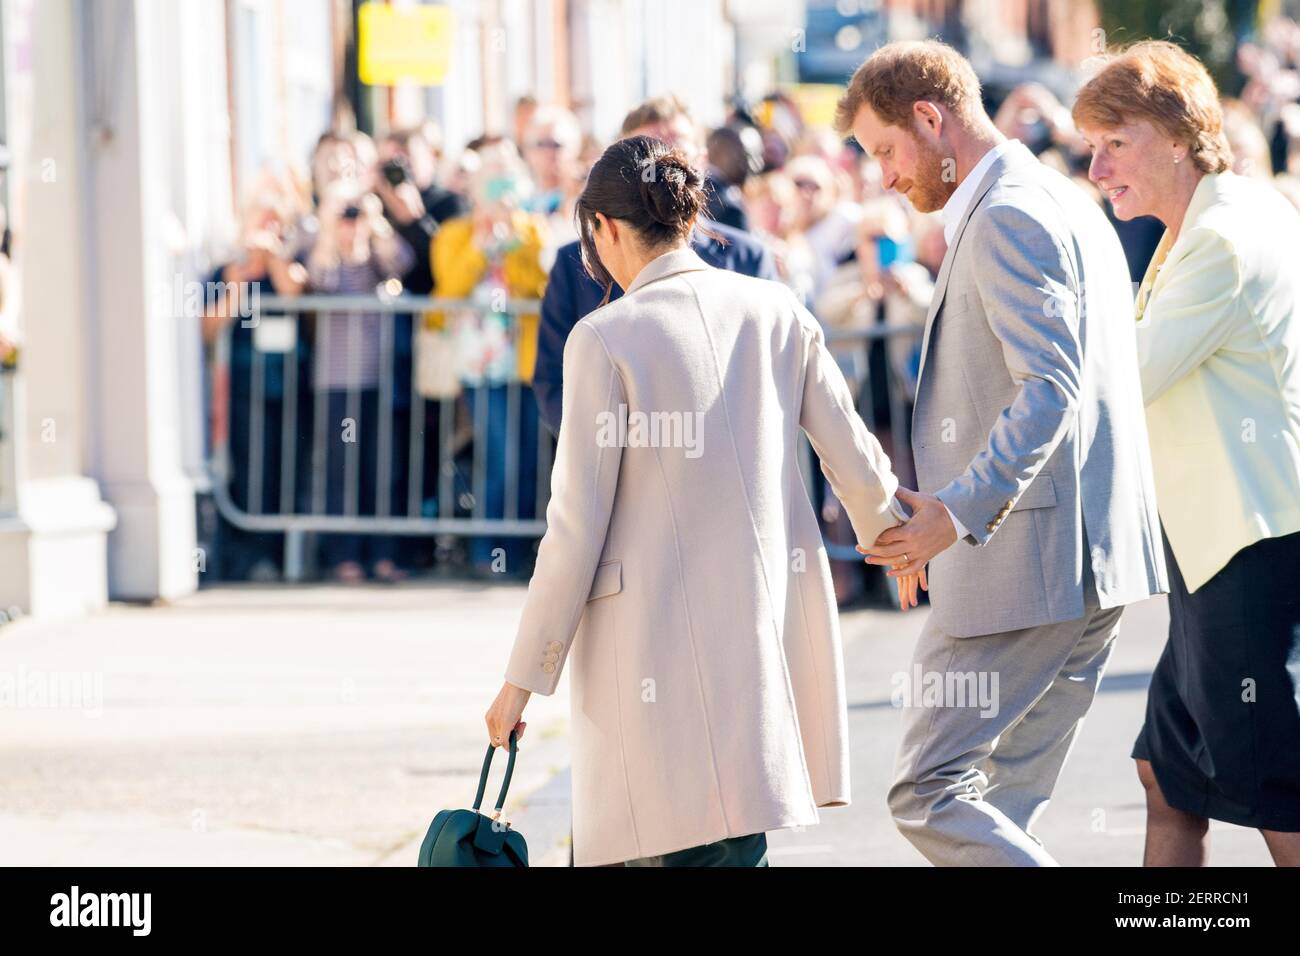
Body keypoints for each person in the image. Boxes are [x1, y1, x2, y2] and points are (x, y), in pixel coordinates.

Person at [483, 135, 916, 867]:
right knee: (733, 844)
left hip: (644, 666)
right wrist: (894, 539)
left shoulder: (605, 337)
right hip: (754, 652)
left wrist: (521, 681)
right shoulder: (777, 309)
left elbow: (573, 528)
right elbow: (853, 455)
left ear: (606, 228)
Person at [839, 39, 1168, 866]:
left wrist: (952, 513)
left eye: (885, 150)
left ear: (929, 117)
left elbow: (1050, 388)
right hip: (1088, 561)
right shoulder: (1056, 196)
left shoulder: (1010, 212)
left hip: (1034, 564)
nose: (883, 176)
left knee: (931, 792)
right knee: (999, 812)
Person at [1074, 40, 1300, 867]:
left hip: (1246, 549)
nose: (1097, 168)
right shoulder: (1217, 217)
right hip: (1222, 552)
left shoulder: (1221, 239)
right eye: (1092, 147)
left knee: (1282, 793)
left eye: (1113, 143)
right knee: (1165, 775)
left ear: (1176, 135)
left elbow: (1123, 381)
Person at [532, 94, 779, 436]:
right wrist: (606, 450)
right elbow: (553, 380)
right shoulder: (576, 259)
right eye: (646, 155)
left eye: (674, 151)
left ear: (701, 161)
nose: (660, 169)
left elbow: (769, 370)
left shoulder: (748, 257)